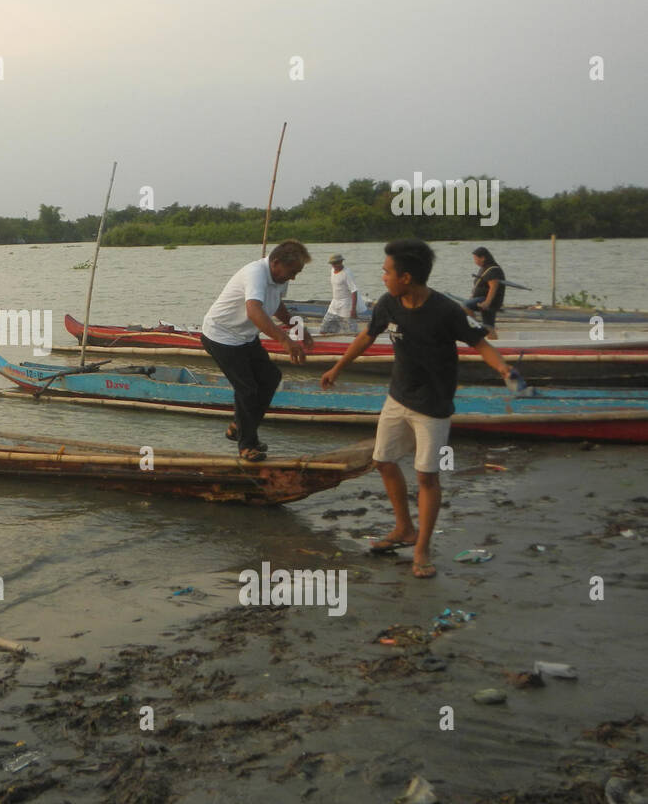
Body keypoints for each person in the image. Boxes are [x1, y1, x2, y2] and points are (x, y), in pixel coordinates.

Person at [320, 240, 514, 579]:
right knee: (382, 461)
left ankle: (422, 548)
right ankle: (404, 529)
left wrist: (503, 369)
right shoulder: (388, 304)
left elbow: (479, 342)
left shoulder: (446, 310)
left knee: (426, 476)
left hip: (433, 405)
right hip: (398, 397)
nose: (383, 277)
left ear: (406, 277)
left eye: (387, 272)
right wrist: (338, 368)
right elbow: (367, 336)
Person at [200, 240, 314, 461]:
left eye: (297, 273)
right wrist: (284, 340)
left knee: (271, 377)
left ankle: (239, 426)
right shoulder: (255, 273)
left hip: (244, 337)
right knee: (247, 390)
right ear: (276, 263)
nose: (293, 278)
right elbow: (254, 311)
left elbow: (277, 305)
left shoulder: (280, 279)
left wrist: (298, 328)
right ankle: (246, 445)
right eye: (292, 272)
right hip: (221, 336)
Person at [463, 246, 505, 339]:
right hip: (482, 299)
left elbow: (493, 287)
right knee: (488, 327)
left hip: (488, 300)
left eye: (475, 258)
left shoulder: (493, 269)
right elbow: (479, 285)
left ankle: (475, 329)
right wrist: (472, 296)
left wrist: (487, 303)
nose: (474, 261)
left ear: (483, 258)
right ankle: (495, 343)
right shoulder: (484, 268)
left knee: (465, 305)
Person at [319, 253, 361, 335]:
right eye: (332, 263)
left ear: (341, 262)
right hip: (334, 303)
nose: (334, 265)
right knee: (324, 329)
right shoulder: (332, 270)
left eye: (336, 263)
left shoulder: (347, 273)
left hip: (346, 304)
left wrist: (353, 309)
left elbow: (354, 291)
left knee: (351, 331)